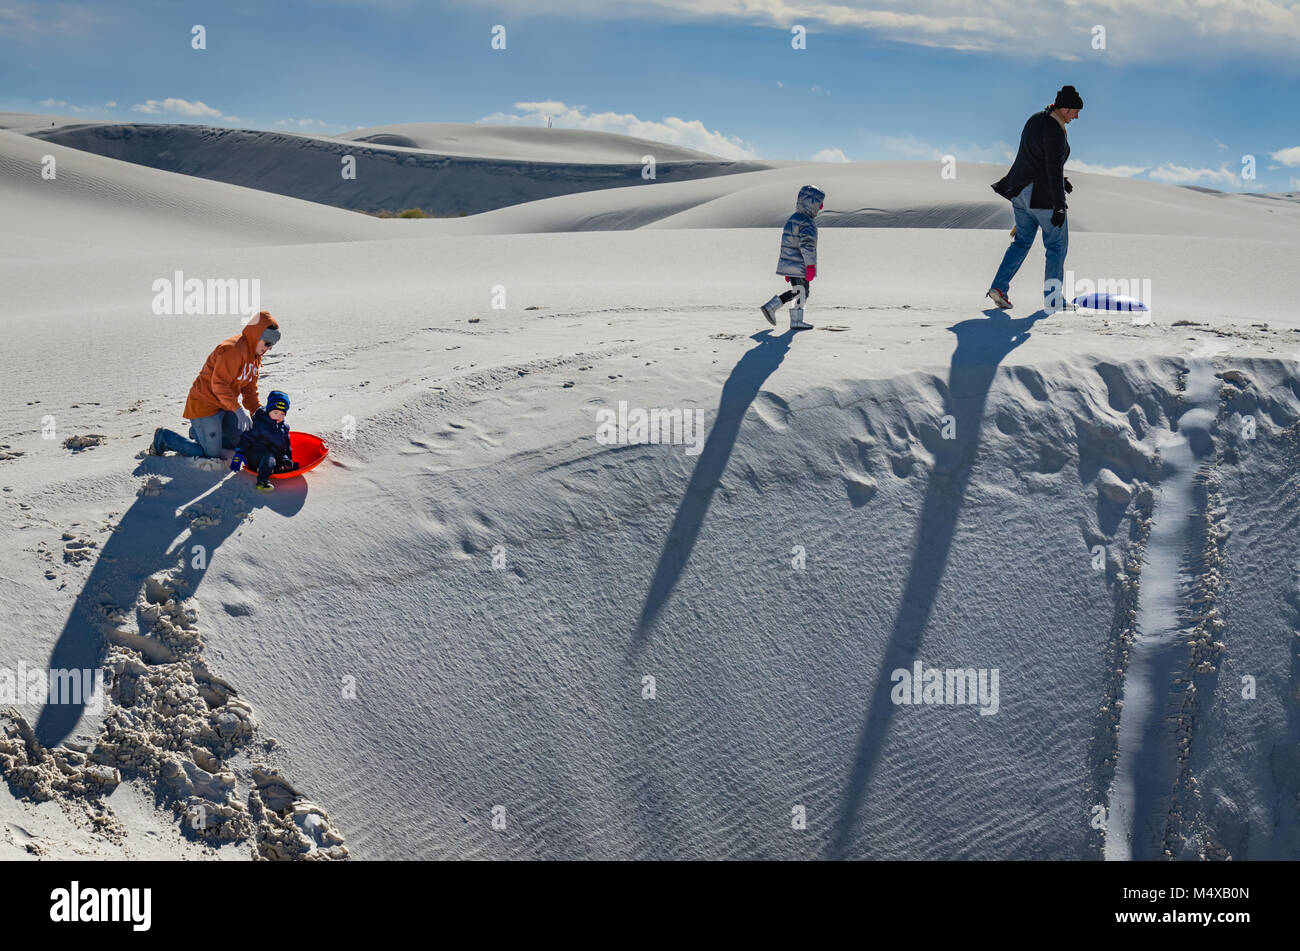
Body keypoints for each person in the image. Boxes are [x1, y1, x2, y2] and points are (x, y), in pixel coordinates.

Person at [986, 86, 1083, 313]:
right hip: (1041, 196)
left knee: (1020, 243)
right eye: (1076, 111)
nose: (1077, 116)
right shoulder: (1055, 131)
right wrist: (1059, 204)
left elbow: (1036, 157)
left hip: (1019, 193)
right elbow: (1051, 164)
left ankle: (998, 288)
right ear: (1065, 108)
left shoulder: (1035, 120)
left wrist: (1061, 178)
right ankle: (1053, 299)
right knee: (1057, 246)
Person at [151, 311, 281, 459]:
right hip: (204, 405)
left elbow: (249, 389)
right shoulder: (232, 351)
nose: (269, 348)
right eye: (268, 343)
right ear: (257, 336)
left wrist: (257, 411)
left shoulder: (255, 356)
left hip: (225, 405)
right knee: (211, 454)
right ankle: (164, 438)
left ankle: (199, 433)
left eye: (273, 345)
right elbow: (219, 385)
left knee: (243, 442)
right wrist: (238, 411)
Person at [760, 185, 825, 331]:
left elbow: (787, 245)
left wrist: (787, 269)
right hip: (801, 264)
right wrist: (810, 266)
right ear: (811, 203)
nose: (821, 207)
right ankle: (774, 308)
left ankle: (789, 316)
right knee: (802, 291)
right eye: (819, 203)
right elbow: (807, 246)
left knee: (799, 290)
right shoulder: (807, 222)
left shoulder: (793, 218)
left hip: (793, 264)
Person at [230, 390, 297, 491]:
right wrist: (239, 453)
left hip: (274, 455)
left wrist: (288, 459)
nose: (279, 416)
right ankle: (262, 482)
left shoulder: (284, 428)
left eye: (283, 414)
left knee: (284, 462)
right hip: (256, 455)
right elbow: (247, 438)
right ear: (268, 411)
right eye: (276, 412)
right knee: (269, 458)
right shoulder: (259, 423)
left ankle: (276, 468)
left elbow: (286, 446)